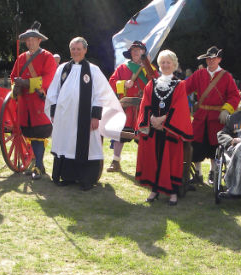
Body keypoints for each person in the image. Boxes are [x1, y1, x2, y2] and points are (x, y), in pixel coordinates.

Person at [45, 37, 125, 190]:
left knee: (85, 146)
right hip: (64, 118)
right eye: (73, 49)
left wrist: (95, 116)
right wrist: (54, 112)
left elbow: (101, 94)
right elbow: (53, 92)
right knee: (66, 144)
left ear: (85, 50)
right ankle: (67, 176)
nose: (76, 52)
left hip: (85, 118)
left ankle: (85, 179)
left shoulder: (93, 70)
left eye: (79, 49)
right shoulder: (62, 69)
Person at [135, 50, 193, 205]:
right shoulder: (151, 83)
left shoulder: (180, 85)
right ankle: (154, 190)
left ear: (174, 65)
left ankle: (172, 192)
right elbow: (145, 103)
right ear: (159, 65)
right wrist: (152, 119)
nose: (166, 65)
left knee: (171, 161)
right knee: (154, 160)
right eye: (163, 62)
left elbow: (180, 107)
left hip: (170, 131)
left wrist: (164, 120)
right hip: (154, 130)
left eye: (169, 62)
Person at [10, 21, 58, 179]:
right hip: (25, 102)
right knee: (29, 132)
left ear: (39, 41)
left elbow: (49, 78)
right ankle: (36, 163)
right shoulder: (21, 58)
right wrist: (15, 88)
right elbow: (12, 77)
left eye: (33, 39)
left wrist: (28, 83)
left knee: (39, 133)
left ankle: (39, 166)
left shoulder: (47, 57)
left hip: (39, 101)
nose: (30, 42)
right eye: (28, 40)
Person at [185, 46, 240, 181]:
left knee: (215, 146)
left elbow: (234, 95)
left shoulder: (226, 76)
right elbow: (185, 87)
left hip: (217, 117)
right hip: (201, 115)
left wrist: (226, 109)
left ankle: (213, 172)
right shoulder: (199, 74)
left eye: (213, 58)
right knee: (196, 144)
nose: (210, 61)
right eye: (208, 58)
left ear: (219, 59)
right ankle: (197, 173)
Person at [107, 40, 153, 172]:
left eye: (138, 50)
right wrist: (123, 83)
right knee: (120, 135)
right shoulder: (123, 67)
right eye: (133, 50)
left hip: (144, 108)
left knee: (144, 137)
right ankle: (115, 161)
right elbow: (111, 82)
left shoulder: (149, 67)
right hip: (126, 107)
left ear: (144, 52)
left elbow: (155, 81)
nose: (136, 52)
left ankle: (144, 166)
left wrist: (147, 67)